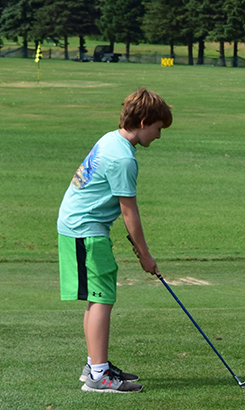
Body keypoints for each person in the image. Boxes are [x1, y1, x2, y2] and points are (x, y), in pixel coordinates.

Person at [57, 87, 171, 393]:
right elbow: (128, 210)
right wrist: (145, 256)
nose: (159, 137)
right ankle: (98, 375)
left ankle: (97, 364)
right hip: (85, 228)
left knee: (98, 298)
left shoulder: (111, 138)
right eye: (158, 129)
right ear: (145, 121)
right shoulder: (123, 159)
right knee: (102, 298)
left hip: (79, 224)